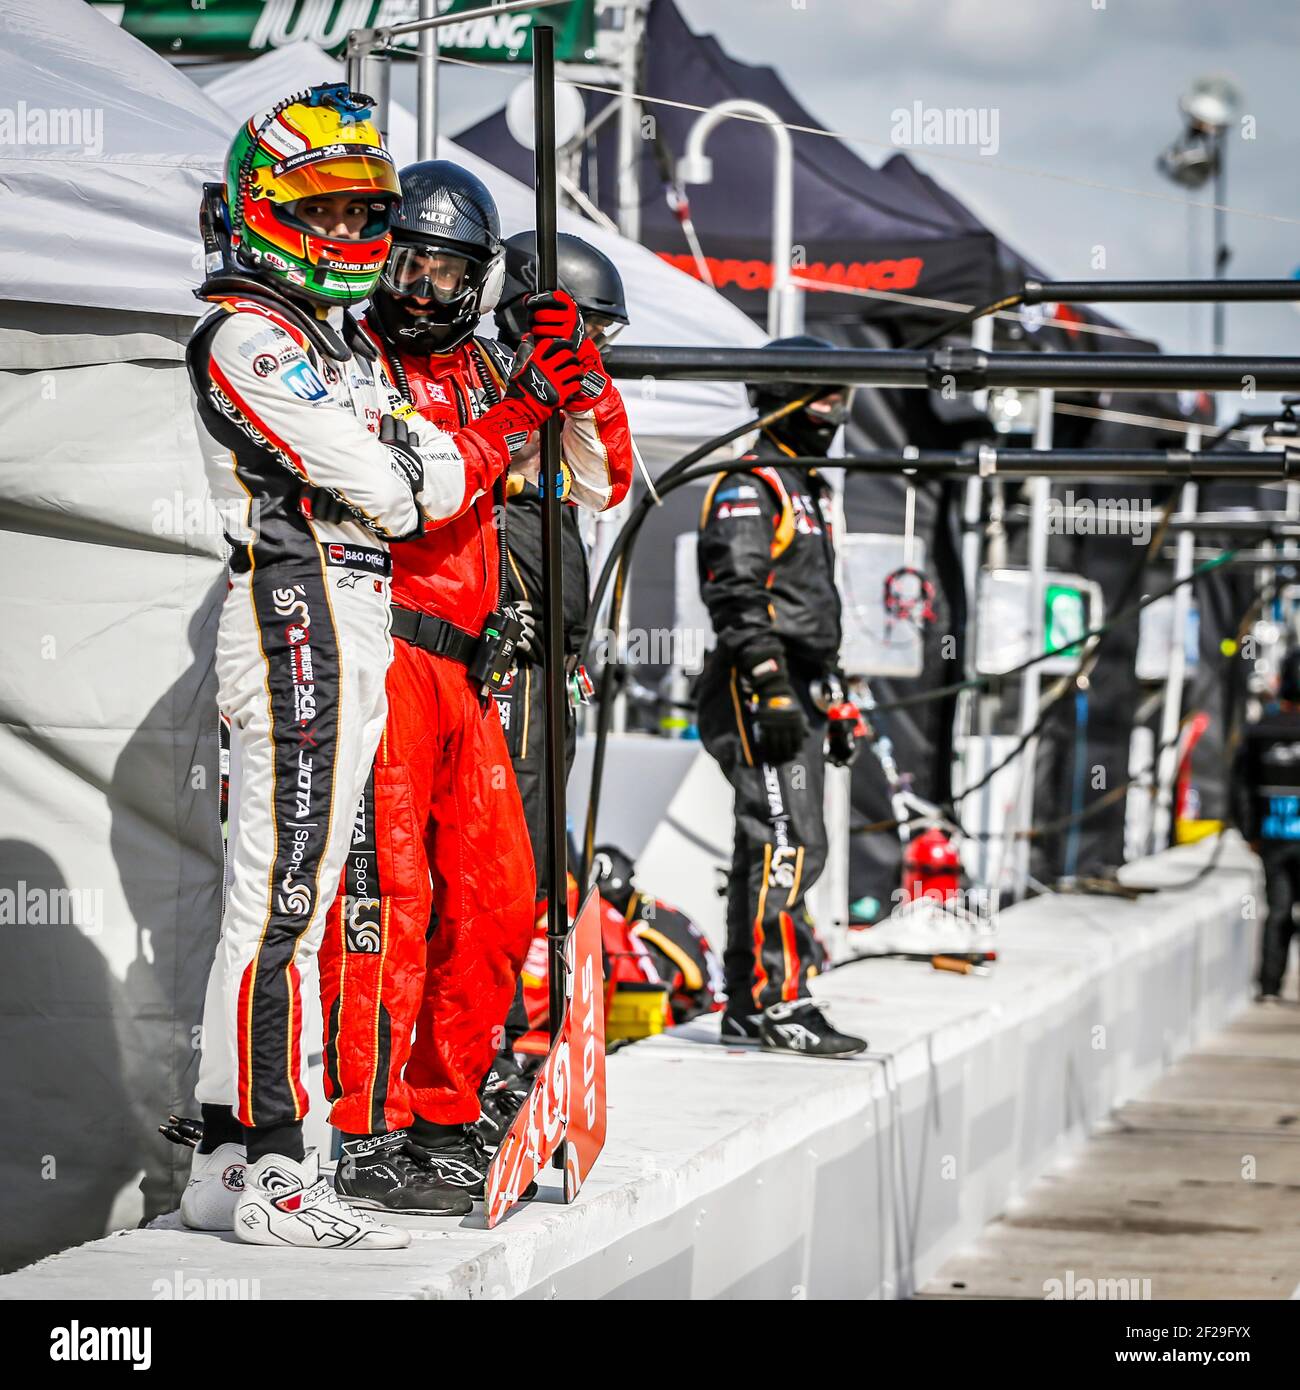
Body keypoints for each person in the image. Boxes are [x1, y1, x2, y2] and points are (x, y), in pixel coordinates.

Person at [181, 86, 512, 1247]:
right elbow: (395, 488)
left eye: (357, 215)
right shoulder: (247, 334)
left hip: (347, 612)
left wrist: (421, 460)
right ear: (263, 210)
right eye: (319, 216)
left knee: (294, 903)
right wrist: (415, 462)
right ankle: (275, 1164)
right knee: (283, 908)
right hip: (297, 610)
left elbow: (431, 463)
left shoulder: (322, 340)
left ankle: (230, 1161)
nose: (346, 240)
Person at [317, 162, 635, 1210]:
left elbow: (599, 481)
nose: (420, 287)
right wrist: (522, 407)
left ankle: (449, 1111)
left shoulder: (494, 369)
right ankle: (365, 1130)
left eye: (445, 271)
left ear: (476, 280)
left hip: (470, 670)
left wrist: (577, 375)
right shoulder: (343, 356)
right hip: (381, 650)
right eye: (407, 259)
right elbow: (413, 489)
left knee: (498, 899)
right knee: (388, 900)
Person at [477, 232, 631, 1122]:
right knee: (490, 877)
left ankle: (498, 1054)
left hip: (548, 683)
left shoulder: (561, 409)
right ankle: (473, 1066)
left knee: (532, 875)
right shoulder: (482, 386)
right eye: (587, 333)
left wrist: (578, 381)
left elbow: (606, 481)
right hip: (497, 680)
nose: (596, 352)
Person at [695, 335, 869, 1058]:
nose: (837, 410)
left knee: (774, 846)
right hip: (754, 682)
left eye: (843, 396)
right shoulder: (752, 482)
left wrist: (832, 694)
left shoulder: (805, 483)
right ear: (786, 395)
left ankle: (749, 1004)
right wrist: (769, 685)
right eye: (825, 394)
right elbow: (735, 593)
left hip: (798, 682)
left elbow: (808, 610)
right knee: (788, 845)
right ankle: (779, 1003)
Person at [1231, 647, 1300, 1001]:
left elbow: (1240, 785)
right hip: (1278, 839)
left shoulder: (1261, 731)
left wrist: (1250, 831)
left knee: (1277, 911)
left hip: (1272, 839)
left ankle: (1270, 987)